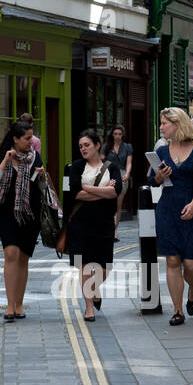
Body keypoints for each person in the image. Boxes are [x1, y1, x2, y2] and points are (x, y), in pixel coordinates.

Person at [149, 107, 193, 327]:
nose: (161, 127)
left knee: (192, 264)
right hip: (167, 208)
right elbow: (152, 181)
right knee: (172, 261)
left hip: (191, 207)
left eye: (165, 123)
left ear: (177, 124)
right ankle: (177, 310)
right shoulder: (162, 152)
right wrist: (159, 176)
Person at [0, 121, 44, 323]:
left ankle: (19, 304)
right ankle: (10, 305)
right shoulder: (0, 156)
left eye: (31, 137)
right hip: (7, 214)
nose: (32, 141)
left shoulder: (35, 157)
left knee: (23, 258)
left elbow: (39, 183)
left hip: (30, 215)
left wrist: (42, 176)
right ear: (16, 139)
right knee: (11, 253)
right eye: (28, 138)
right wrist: (4, 162)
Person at [64, 130, 123, 322]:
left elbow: (116, 191)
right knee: (85, 266)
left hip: (105, 223)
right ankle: (89, 307)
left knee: (105, 268)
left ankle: (94, 289)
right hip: (80, 224)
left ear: (97, 145)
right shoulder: (76, 167)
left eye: (86, 145)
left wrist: (88, 188)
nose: (83, 149)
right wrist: (103, 191)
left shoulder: (111, 167)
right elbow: (75, 193)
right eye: (80, 146)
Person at [103, 123, 134, 237]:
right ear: (112, 134)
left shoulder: (127, 147)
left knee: (118, 204)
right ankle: (108, 227)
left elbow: (129, 163)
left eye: (119, 134)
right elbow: (101, 163)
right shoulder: (106, 147)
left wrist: (127, 174)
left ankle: (115, 230)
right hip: (108, 175)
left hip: (121, 175)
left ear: (122, 135)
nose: (117, 136)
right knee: (108, 203)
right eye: (115, 134)